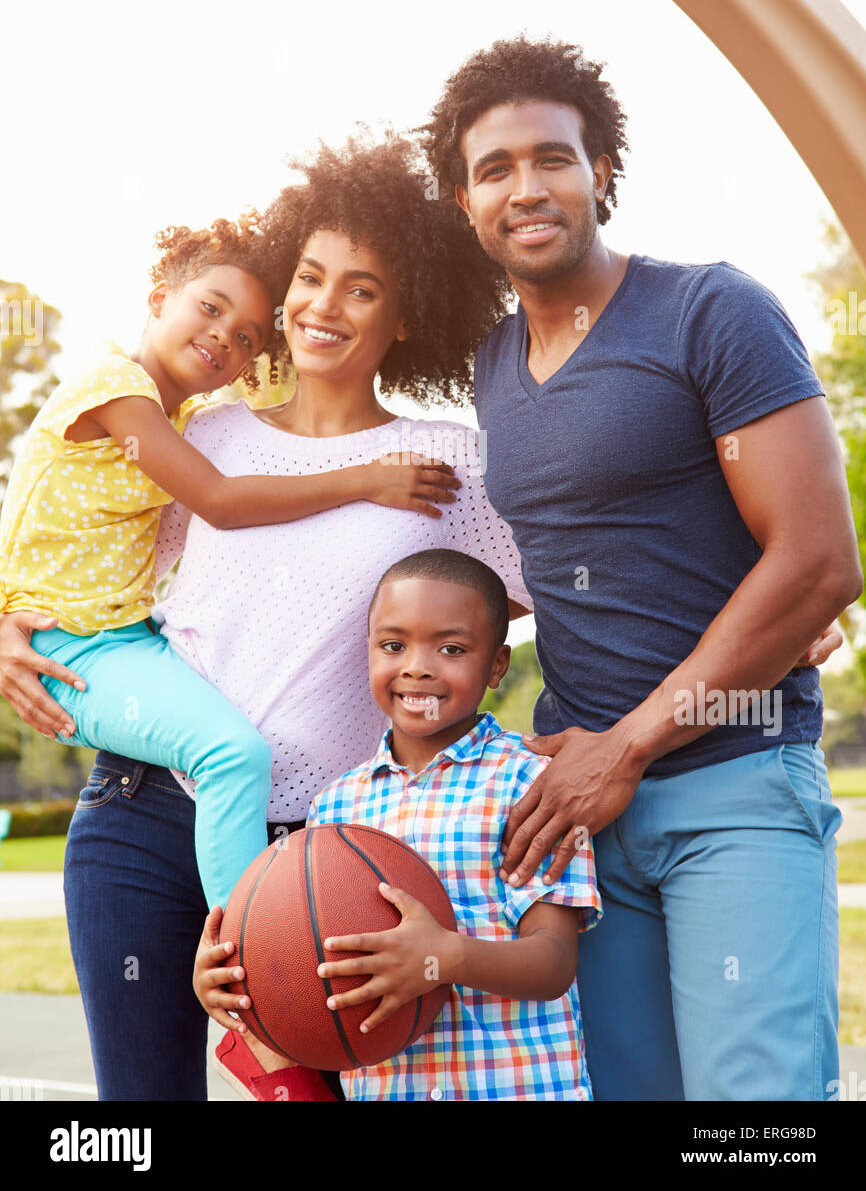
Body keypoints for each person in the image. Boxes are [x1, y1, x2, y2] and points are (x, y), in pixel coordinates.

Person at [0, 133, 530, 1101]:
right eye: (311, 277)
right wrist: (4, 623)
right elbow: (60, 523)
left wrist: (766, 624)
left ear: (407, 310)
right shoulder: (204, 429)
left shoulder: (444, 460)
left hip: (329, 843)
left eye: (361, 287)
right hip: (141, 815)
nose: (324, 305)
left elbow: (560, 599)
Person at [421, 35, 862, 1101]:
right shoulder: (486, 368)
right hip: (584, 819)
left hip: (733, 786)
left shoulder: (709, 310)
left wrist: (625, 746)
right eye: (493, 169)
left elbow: (815, 562)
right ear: (460, 202)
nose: (525, 187)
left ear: (600, 170)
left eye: (551, 157)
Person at [0, 214, 459, 911]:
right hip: (75, 650)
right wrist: (367, 478)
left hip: (129, 640)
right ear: (159, 298)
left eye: (247, 335)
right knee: (231, 755)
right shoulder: (115, 387)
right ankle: (247, 943)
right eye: (209, 308)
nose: (224, 336)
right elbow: (219, 500)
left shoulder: (190, 419)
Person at [194, 549, 601, 1102]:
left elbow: (553, 963)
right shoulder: (334, 809)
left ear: (498, 665)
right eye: (393, 645)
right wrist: (234, 987)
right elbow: (307, 971)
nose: (417, 666)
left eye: (451, 648)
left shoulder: (533, 785)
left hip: (515, 1086)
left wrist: (443, 957)